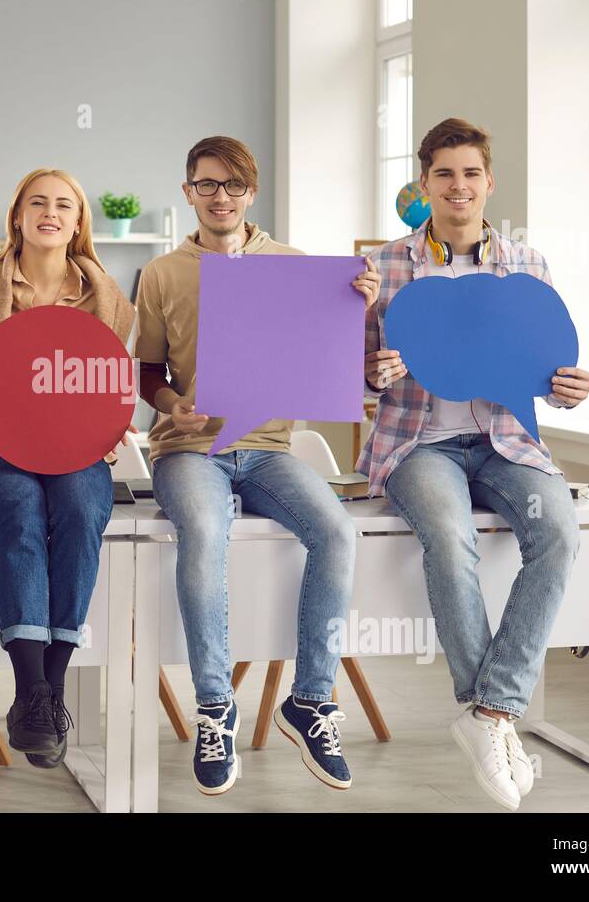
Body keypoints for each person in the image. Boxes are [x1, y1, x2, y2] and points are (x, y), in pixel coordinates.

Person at [134, 135, 379, 795]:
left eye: (233, 186)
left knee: (336, 531)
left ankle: (310, 699)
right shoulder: (161, 273)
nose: (221, 197)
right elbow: (146, 371)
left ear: (252, 192)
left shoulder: (293, 265)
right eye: (208, 185)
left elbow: (328, 353)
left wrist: (362, 300)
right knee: (206, 534)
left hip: (271, 450)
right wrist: (170, 403)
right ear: (188, 191)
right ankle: (215, 706)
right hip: (189, 450)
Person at [360, 117, 589, 810]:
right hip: (416, 442)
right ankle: (492, 714)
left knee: (559, 532)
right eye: (443, 174)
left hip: (506, 442)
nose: (458, 186)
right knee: (449, 533)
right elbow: (349, 380)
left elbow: (546, 367)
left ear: (489, 182)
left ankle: (490, 712)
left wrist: (571, 388)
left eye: (470, 174)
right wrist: (372, 374)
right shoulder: (384, 266)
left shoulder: (528, 264)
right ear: (423, 184)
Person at [0, 168, 136, 769]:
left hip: (76, 452)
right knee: (23, 511)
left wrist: (111, 412)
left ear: (79, 222)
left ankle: (43, 691)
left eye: (63, 205)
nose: (50, 213)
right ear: (18, 216)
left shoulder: (108, 296)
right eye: (37, 203)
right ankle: (33, 691)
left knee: (80, 509)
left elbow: (114, 385)